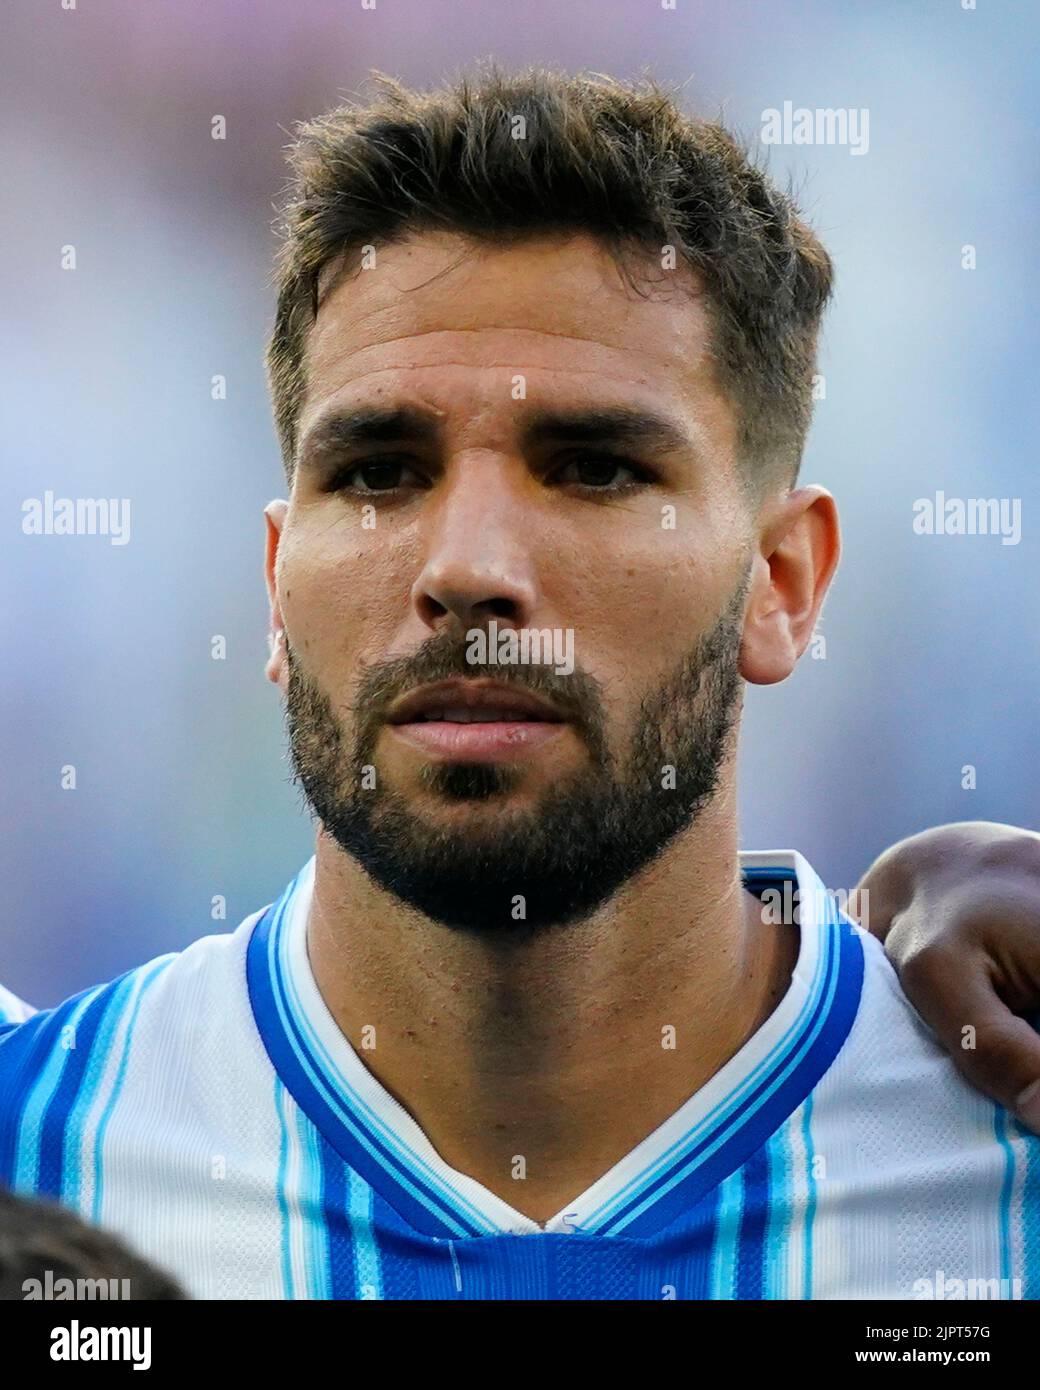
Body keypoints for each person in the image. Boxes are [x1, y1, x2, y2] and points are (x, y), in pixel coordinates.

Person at [1, 68, 1038, 1300]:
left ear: (779, 581)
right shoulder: (35, 1157)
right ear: (277, 584)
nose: (465, 570)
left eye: (593, 468)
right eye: (379, 471)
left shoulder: (1003, 1157)